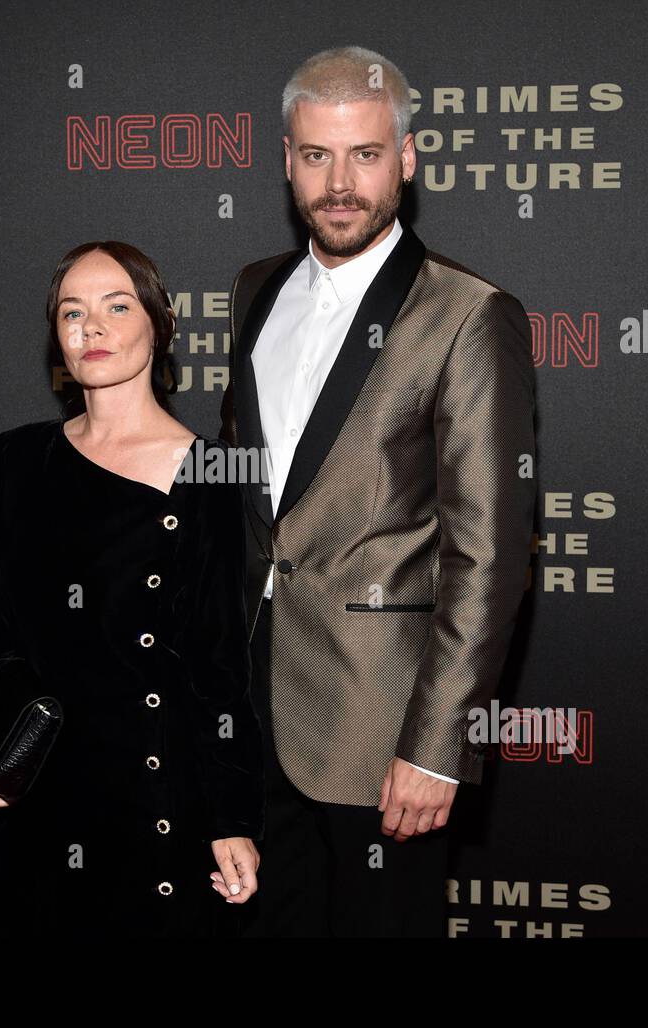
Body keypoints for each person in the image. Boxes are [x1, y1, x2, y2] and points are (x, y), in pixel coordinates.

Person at [218, 45, 537, 936]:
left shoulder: (468, 314)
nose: (340, 183)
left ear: (407, 157)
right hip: (252, 707)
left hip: (379, 733)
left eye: (365, 154)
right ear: (286, 160)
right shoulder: (255, 291)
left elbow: (489, 552)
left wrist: (439, 746)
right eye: (316, 155)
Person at [0, 240, 266, 937]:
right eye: (72, 312)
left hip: (153, 789)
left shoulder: (210, 475)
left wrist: (232, 817)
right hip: (40, 783)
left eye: (116, 306)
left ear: (161, 324)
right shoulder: (17, 458)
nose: (92, 328)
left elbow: (218, 662)